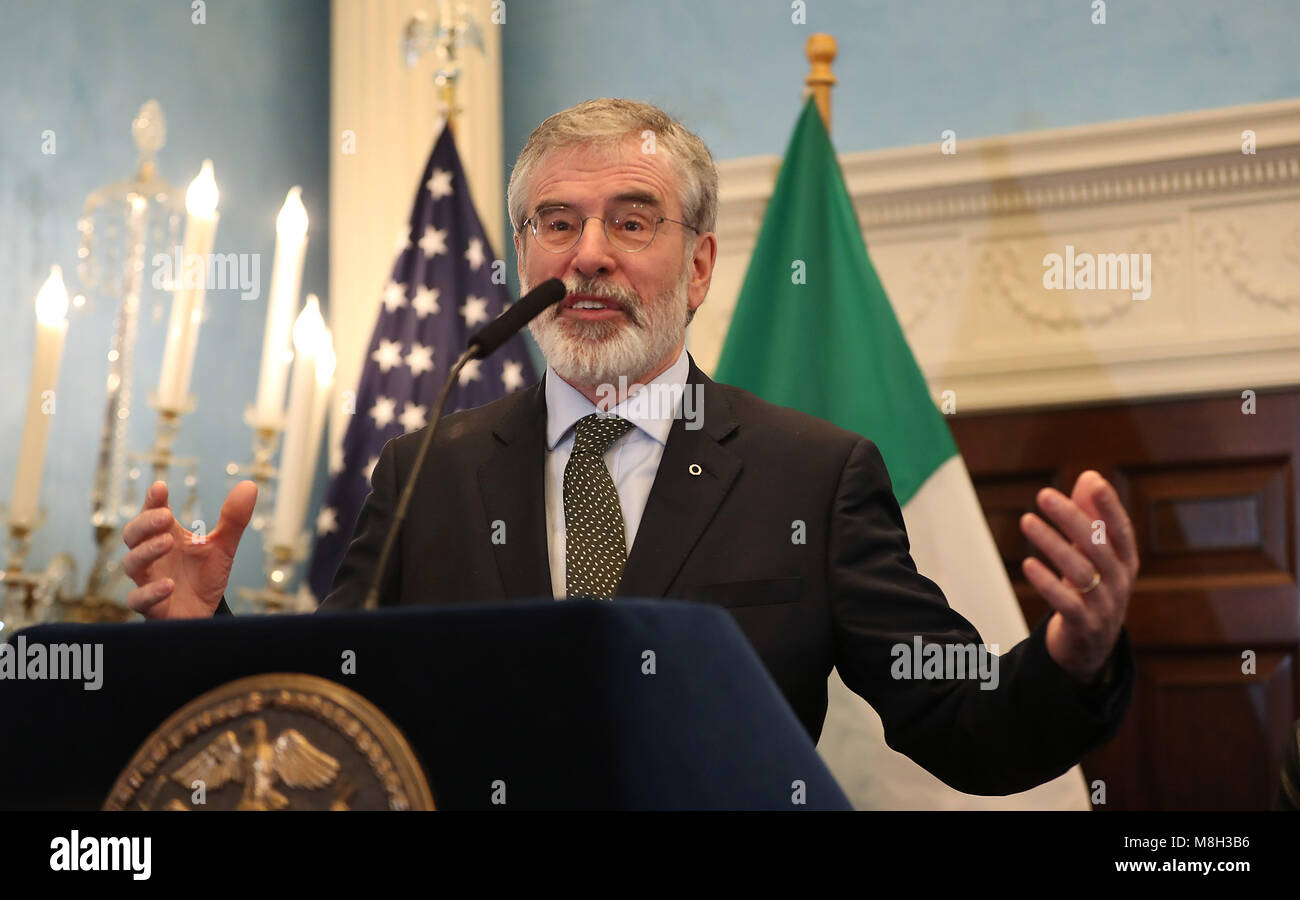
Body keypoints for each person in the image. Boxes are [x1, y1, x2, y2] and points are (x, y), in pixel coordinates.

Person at [121, 98, 1138, 795]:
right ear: (523, 260)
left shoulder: (813, 477)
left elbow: (963, 725)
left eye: (630, 221)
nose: (587, 254)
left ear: (697, 266)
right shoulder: (428, 471)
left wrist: (1071, 659)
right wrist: (208, 627)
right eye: (555, 224)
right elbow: (337, 717)